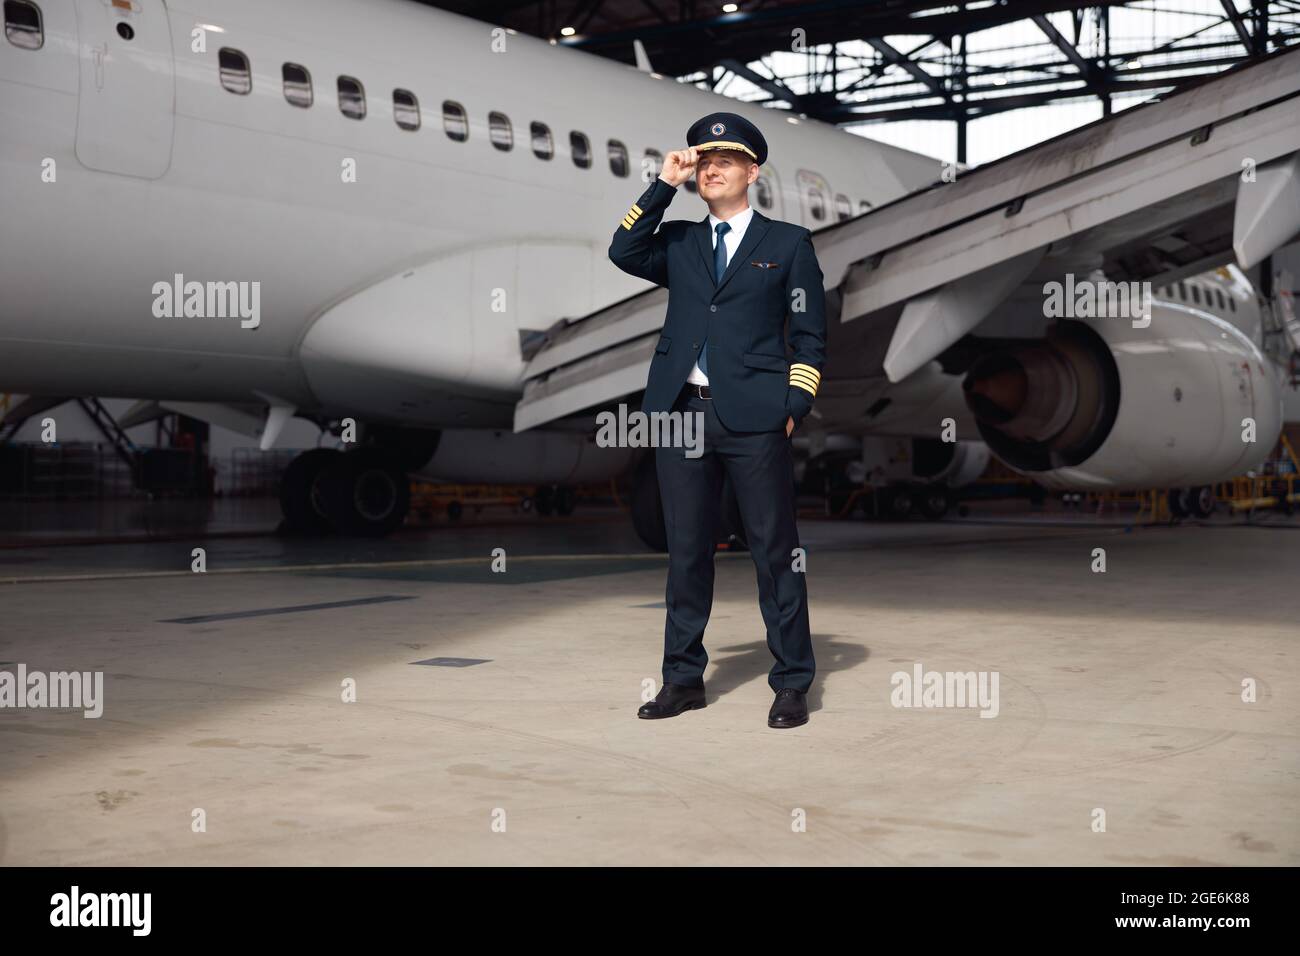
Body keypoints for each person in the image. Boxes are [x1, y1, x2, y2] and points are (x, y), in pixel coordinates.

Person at [608, 111, 827, 728]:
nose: (710, 169)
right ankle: (682, 679)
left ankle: (791, 683)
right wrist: (661, 185)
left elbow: (810, 337)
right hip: (682, 415)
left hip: (756, 419)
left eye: (724, 161)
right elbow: (622, 249)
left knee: (775, 553)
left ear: (752, 172)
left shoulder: (787, 245)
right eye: (703, 161)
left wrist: (793, 406)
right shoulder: (678, 243)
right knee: (685, 554)